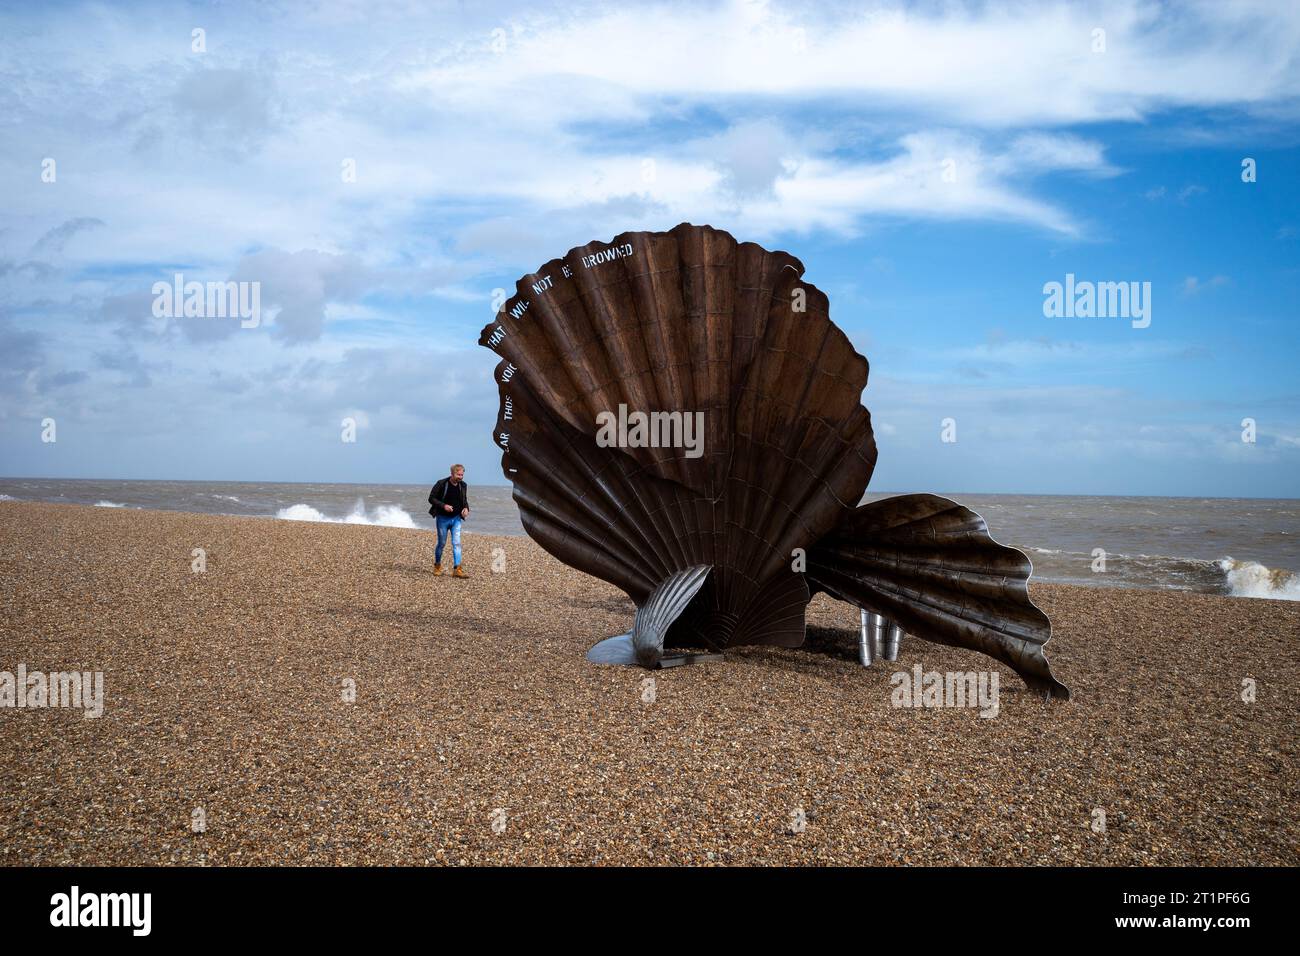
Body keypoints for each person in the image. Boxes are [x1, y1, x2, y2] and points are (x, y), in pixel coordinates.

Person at [428, 464, 470, 577]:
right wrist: (444, 506)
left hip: (456, 519)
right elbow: (431, 498)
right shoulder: (441, 484)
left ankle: (457, 569)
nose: (460, 477)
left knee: (456, 543)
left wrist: (466, 508)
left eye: (462, 475)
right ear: (452, 473)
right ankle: (437, 566)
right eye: (458, 474)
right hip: (442, 518)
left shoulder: (463, 485)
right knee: (441, 543)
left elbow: (464, 500)